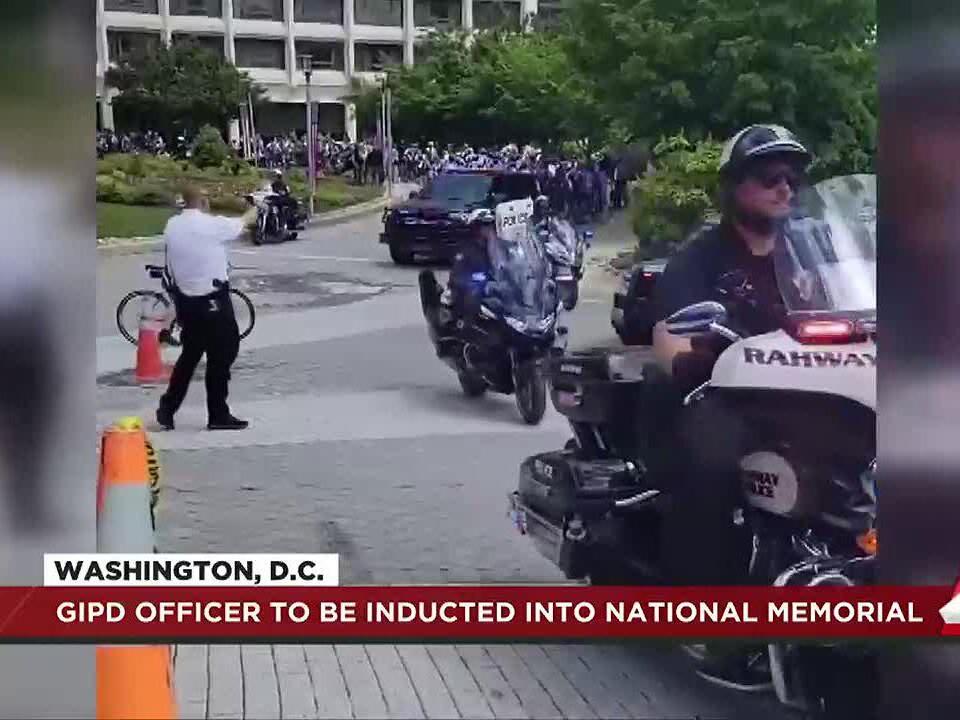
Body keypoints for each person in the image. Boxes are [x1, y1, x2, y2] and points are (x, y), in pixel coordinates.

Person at [650, 124, 813, 691]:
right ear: (735, 185)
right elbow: (669, 330)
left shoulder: (809, 250)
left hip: (811, 397)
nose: (785, 188)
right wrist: (685, 361)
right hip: (728, 396)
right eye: (771, 176)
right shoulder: (702, 256)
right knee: (716, 467)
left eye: (793, 177)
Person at [156, 186, 258, 432]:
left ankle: (168, 408)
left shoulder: (172, 226)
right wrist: (254, 207)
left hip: (187, 301)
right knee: (223, 354)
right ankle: (218, 414)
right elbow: (243, 223)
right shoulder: (210, 225)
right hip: (213, 299)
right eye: (207, 198)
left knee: (190, 356)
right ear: (202, 201)